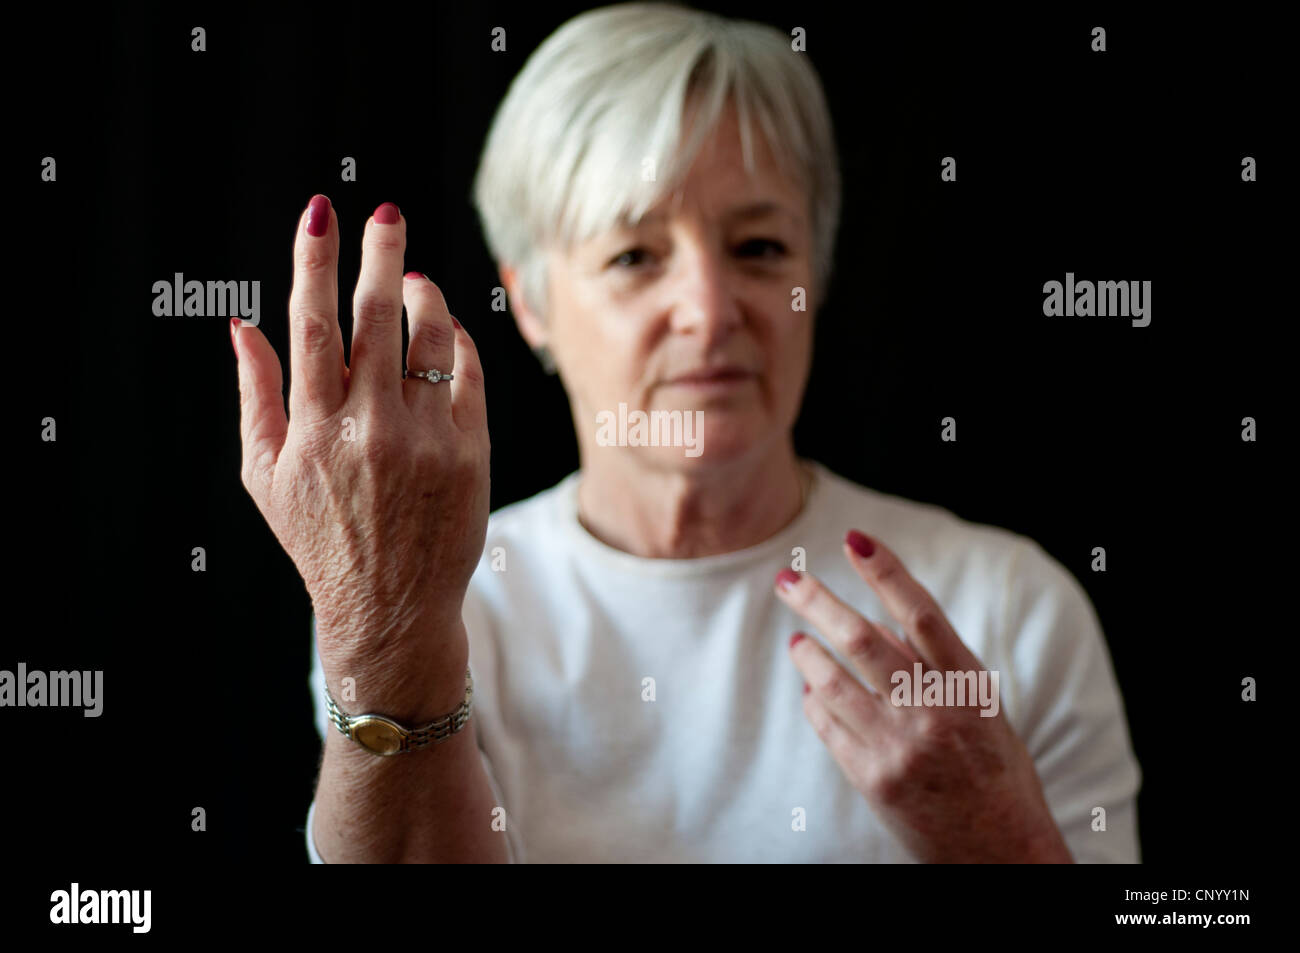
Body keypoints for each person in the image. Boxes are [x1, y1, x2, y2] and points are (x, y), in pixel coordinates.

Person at [233, 3, 1141, 862]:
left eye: (759, 250)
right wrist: (387, 636)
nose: (709, 312)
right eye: (634, 256)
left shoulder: (1006, 610)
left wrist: (999, 836)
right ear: (533, 297)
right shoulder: (443, 601)